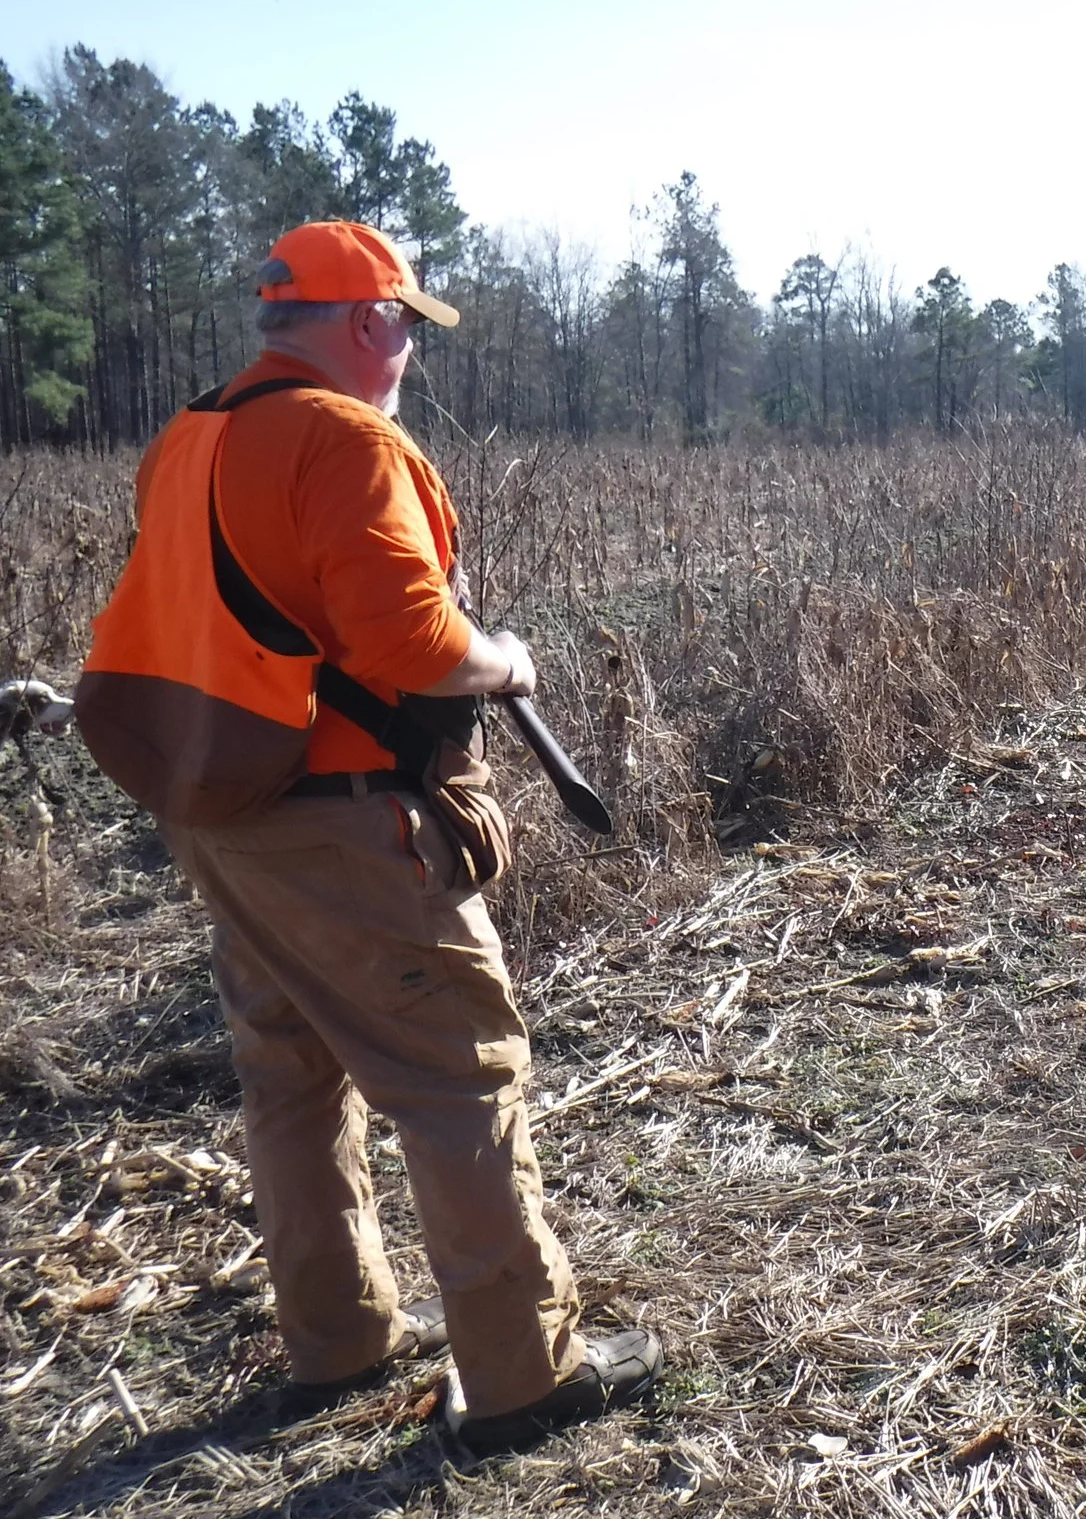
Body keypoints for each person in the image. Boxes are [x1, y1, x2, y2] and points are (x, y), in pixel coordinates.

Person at [75, 220, 660, 1452]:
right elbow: (409, 645)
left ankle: (335, 1339)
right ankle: (524, 1377)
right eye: (402, 325)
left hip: (224, 819)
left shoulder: (192, 434)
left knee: (290, 1075)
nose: (406, 351)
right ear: (365, 322)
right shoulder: (340, 437)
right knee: (462, 1083)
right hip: (344, 828)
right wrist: (506, 659)